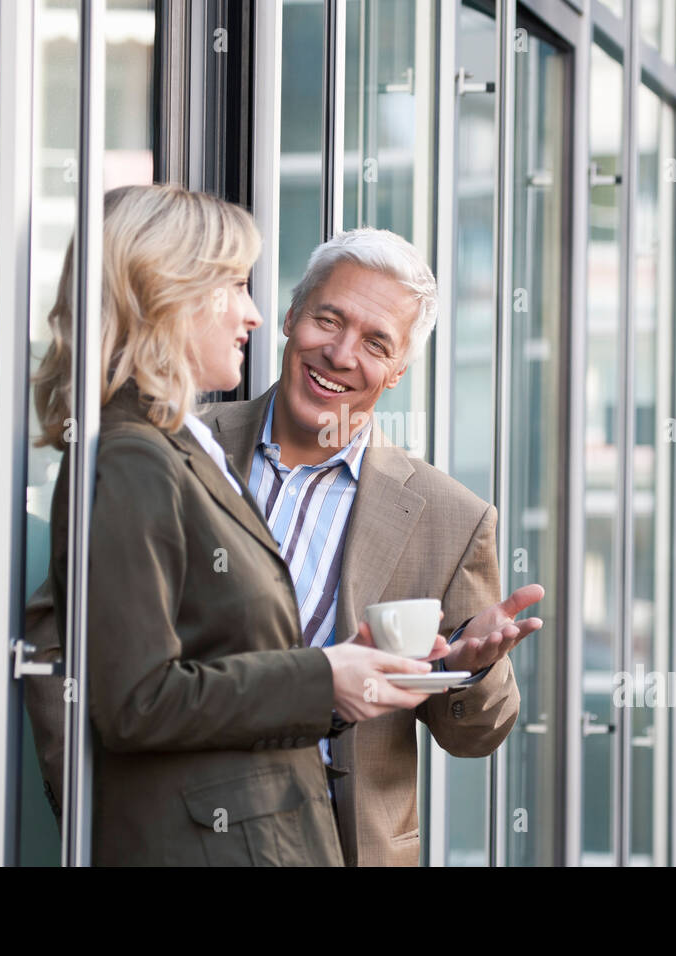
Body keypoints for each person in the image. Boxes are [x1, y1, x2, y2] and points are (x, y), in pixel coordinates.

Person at [31, 184, 436, 865]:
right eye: (233, 287)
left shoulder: (180, 446)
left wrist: (342, 675)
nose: (251, 314)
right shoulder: (133, 457)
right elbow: (136, 699)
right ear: (168, 294)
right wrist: (321, 677)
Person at [198, 227, 545, 866]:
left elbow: (476, 736)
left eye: (376, 342)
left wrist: (469, 670)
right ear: (292, 315)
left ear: (398, 370)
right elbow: (66, 632)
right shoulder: (187, 445)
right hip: (171, 829)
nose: (340, 353)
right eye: (328, 319)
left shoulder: (453, 520)